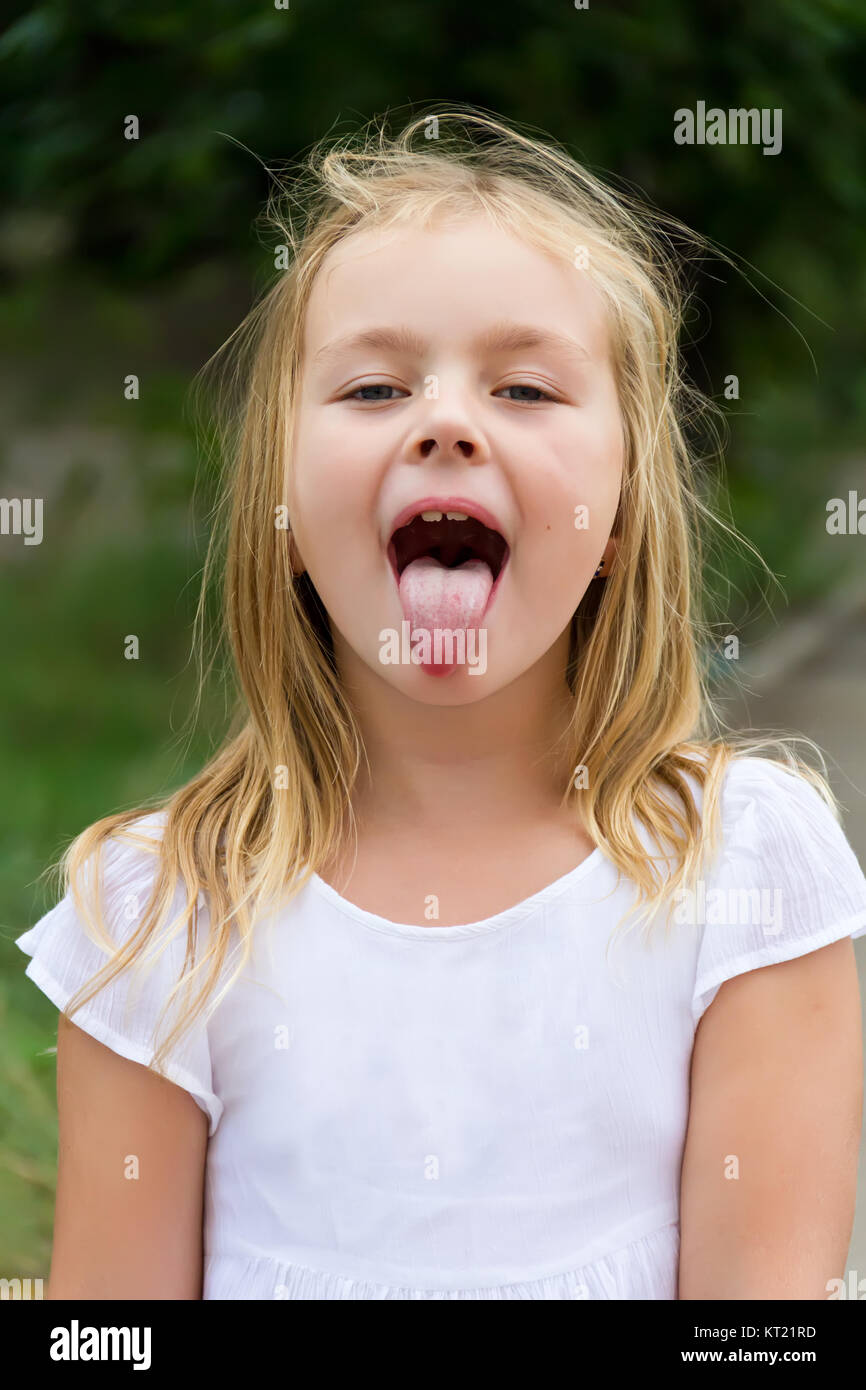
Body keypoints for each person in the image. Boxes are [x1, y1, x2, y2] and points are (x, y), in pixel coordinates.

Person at [16, 107, 866, 1300]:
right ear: (285, 513)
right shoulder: (161, 918)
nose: (446, 423)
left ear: (618, 518)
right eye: (372, 387)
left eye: (523, 388)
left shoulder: (743, 877)